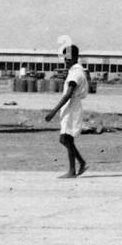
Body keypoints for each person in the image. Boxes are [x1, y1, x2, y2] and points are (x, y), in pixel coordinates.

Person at [44, 44, 89, 178]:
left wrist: (53, 111)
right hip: (71, 106)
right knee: (64, 139)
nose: (66, 61)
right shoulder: (75, 71)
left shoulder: (76, 73)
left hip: (71, 106)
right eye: (65, 58)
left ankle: (73, 170)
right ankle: (81, 163)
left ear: (75, 57)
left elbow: (68, 94)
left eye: (68, 58)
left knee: (66, 138)